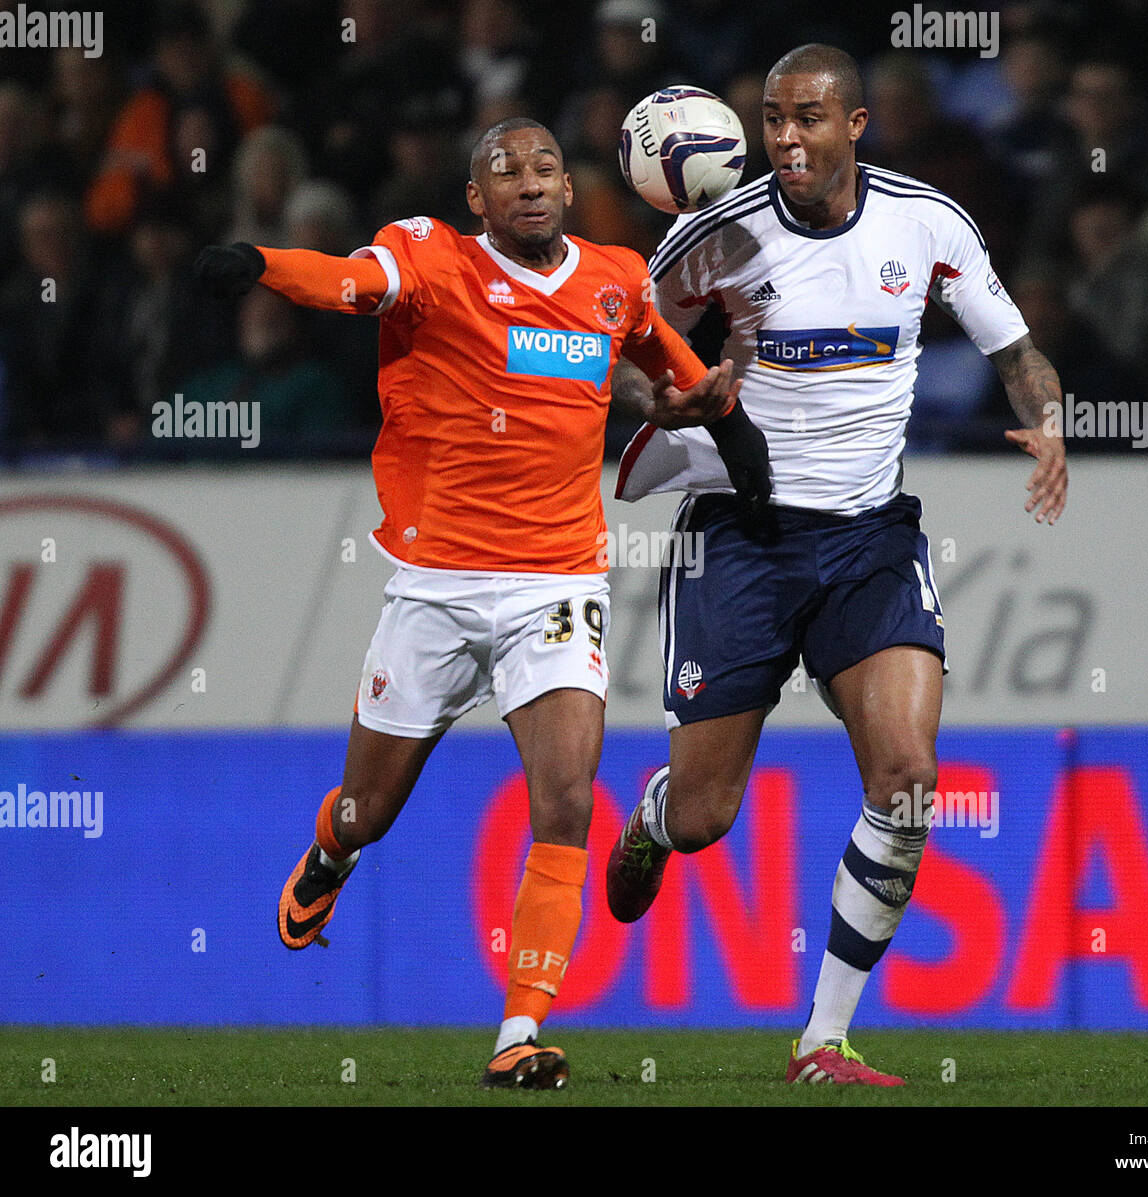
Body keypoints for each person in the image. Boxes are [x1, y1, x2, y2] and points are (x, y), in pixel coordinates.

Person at [195, 117, 769, 1089]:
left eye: (547, 165)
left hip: (556, 582)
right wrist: (258, 262)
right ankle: (331, 859)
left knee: (566, 804)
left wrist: (729, 444)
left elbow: (686, 378)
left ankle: (519, 1031)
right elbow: (344, 283)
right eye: (507, 171)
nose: (532, 182)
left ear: (569, 186)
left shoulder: (614, 277)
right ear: (477, 199)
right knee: (365, 812)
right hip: (436, 587)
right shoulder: (428, 257)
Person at [607, 44, 1068, 1085]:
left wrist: (1048, 423)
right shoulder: (711, 237)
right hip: (741, 536)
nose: (784, 139)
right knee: (704, 817)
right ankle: (652, 814)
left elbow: (1013, 349)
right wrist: (667, 400)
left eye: (807, 117)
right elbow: (618, 366)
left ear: (855, 125)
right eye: (771, 118)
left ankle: (824, 1039)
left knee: (906, 780)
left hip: (869, 537)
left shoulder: (927, 223)